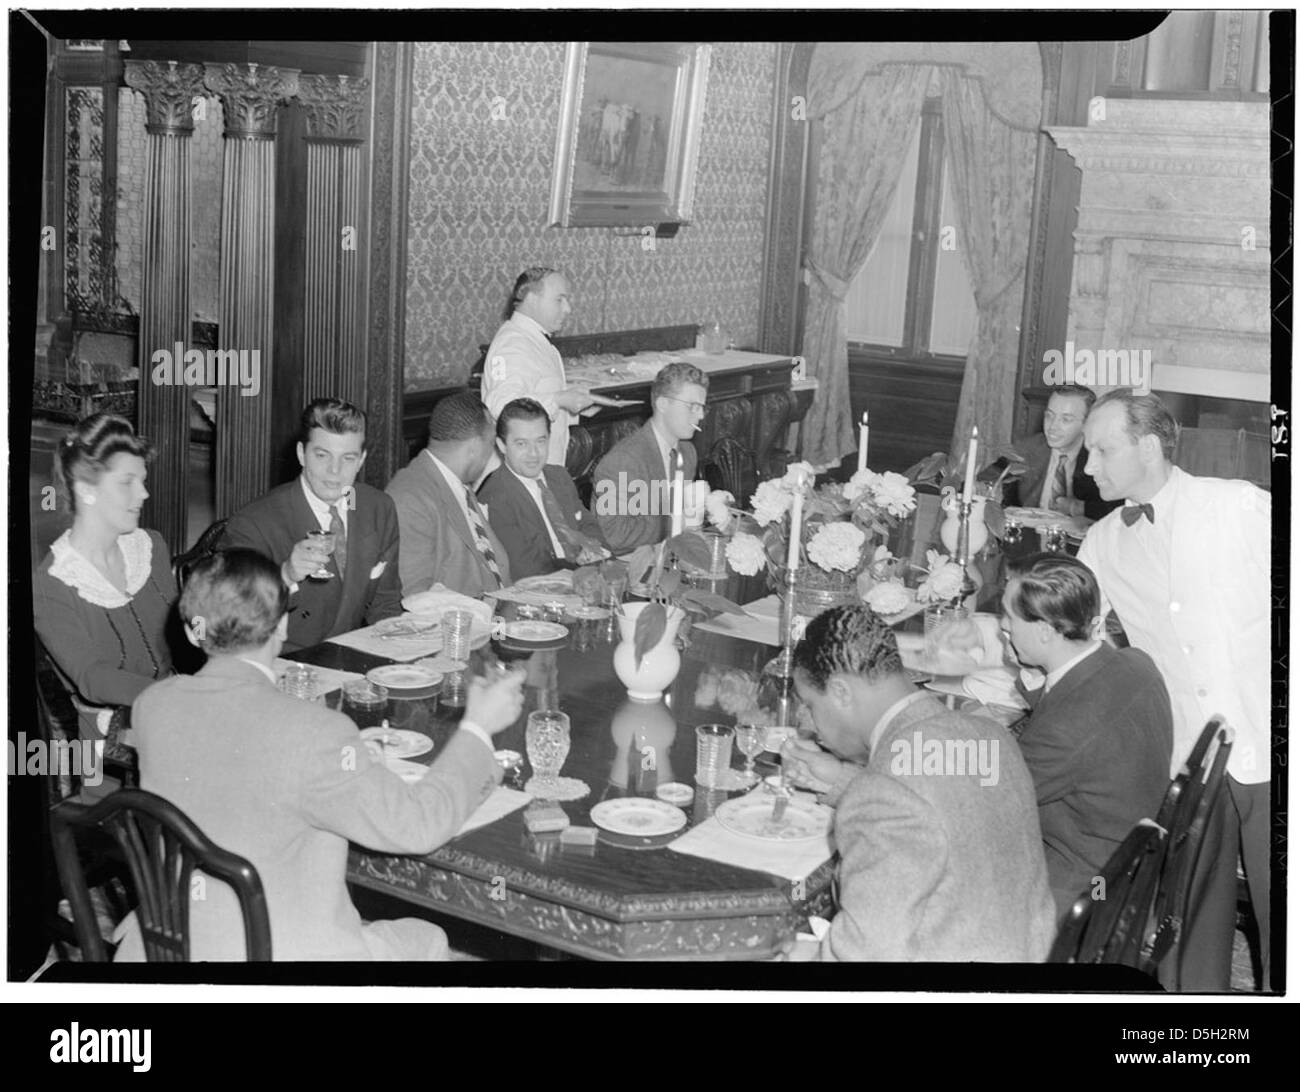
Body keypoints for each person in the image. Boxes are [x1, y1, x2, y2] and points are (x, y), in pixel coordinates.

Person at [118, 548, 524, 961]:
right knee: (433, 940)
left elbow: (233, 754)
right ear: (282, 626)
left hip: (168, 945)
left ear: (192, 632)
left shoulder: (153, 705)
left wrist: (343, 760)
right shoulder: (315, 731)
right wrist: (477, 730)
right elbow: (419, 827)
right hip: (282, 960)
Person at [1077, 389, 1270, 990]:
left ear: (1151, 447)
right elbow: (1081, 648)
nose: (1089, 468)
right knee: (1187, 929)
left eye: (1102, 451)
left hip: (1272, 748)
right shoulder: (1100, 544)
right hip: (1187, 759)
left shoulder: (1239, 507)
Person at [779, 605, 1057, 962]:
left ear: (841, 692)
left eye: (811, 706)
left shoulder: (886, 794)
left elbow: (865, 957)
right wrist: (844, 782)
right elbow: (937, 806)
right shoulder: (990, 737)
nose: (809, 723)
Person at [1000, 552, 1173, 919]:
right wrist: (1034, 674)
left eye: (1009, 618)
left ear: (1045, 631)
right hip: (1130, 865)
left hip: (1087, 889)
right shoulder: (1136, 664)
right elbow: (1081, 711)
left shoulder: (1066, 730)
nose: (1003, 626)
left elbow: (991, 794)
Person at [34, 414, 176, 744]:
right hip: (105, 737)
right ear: (87, 490)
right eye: (127, 482)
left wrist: (208, 630)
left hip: (173, 708)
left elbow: (187, 619)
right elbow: (91, 677)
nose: (144, 494)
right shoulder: (51, 584)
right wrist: (175, 694)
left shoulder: (150, 546)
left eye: (143, 480)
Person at [222, 398, 402, 653]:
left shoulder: (377, 508)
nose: (334, 471)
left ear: (362, 460)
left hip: (352, 661)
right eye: (322, 455)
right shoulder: (254, 522)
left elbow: (386, 605)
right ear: (301, 454)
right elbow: (232, 619)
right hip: (282, 664)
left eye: (348, 458)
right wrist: (285, 575)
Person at [481, 267, 625, 469]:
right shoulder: (513, 344)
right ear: (531, 299)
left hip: (540, 469)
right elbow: (503, 406)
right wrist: (558, 399)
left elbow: (537, 396)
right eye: (559, 299)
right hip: (519, 475)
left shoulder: (534, 339)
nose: (567, 308)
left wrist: (573, 404)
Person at [386, 391, 511, 597]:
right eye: (490, 444)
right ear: (474, 447)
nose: (492, 454)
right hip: (462, 624)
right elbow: (415, 596)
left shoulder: (456, 483)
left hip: (498, 620)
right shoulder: (410, 497)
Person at [478, 398, 609, 580]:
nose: (533, 453)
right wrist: (580, 565)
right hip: (541, 591)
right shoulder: (495, 495)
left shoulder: (559, 476)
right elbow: (525, 569)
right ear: (502, 445)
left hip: (587, 577)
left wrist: (591, 547)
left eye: (540, 441)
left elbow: (588, 524)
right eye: (521, 444)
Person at [590, 361, 706, 556]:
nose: (701, 415)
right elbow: (613, 534)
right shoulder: (623, 461)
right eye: (693, 406)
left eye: (702, 407)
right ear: (662, 404)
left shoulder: (687, 452)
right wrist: (677, 521)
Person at [1004, 385, 1120, 521]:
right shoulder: (1026, 448)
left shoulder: (1103, 457)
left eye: (1066, 419)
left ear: (1088, 423)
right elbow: (992, 480)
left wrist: (1077, 508)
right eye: (1049, 416)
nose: (1052, 426)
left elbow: (1120, 508)